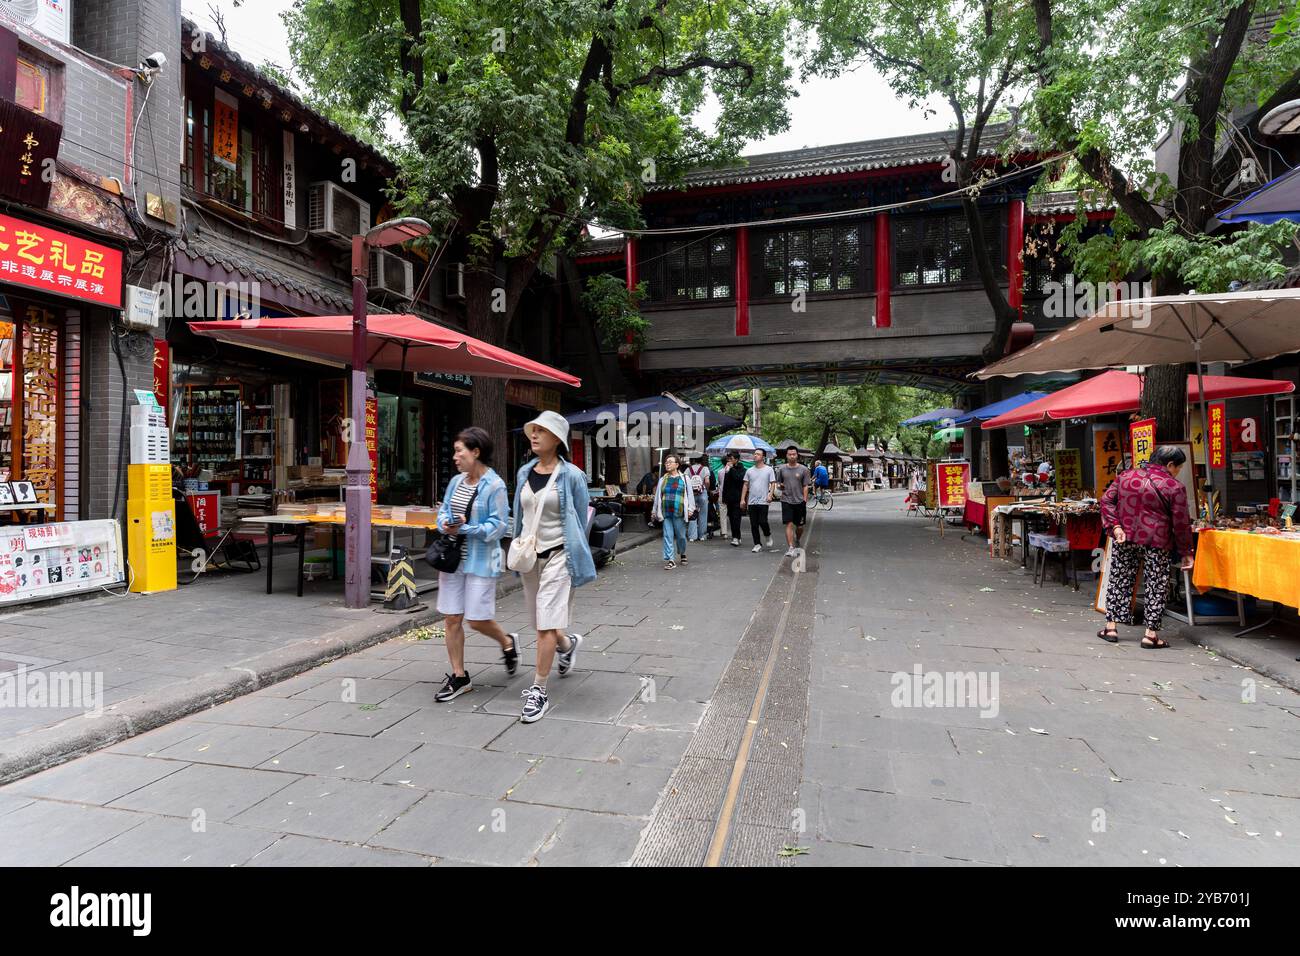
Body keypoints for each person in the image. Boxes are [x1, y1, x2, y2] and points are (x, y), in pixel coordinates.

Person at [512, 410, 596, 723]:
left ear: (557, 440)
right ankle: (567, 644)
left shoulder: (572, 475)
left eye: (541, 432)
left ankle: (538, 690)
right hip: (531, 557)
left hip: (561, 555)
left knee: (546, 623)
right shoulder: (524, 472)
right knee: (541, 622)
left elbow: (579, 514)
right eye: (532, 430)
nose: (534, 435)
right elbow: (520, 515)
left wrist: (577, 550)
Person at [433, 427, 517, 703]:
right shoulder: (456, 482)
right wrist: (445, 523)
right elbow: (443, 511)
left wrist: (466, 529)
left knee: (477, 620)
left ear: (476, 452)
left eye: (460, 451)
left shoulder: (495, 486)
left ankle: (506, 641)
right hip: (452, 559)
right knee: (452, 617)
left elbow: (499, 526)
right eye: (455, 451)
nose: (455, 457)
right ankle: (459, 676)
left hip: (481, 559)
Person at [1098, 445, 1195, 649]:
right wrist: (1186, 552)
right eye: (1178, 468)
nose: (1178, 472)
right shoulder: (1174, 487)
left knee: (1120, 578)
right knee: (1156, 584)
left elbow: (1106, 500)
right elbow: (1181, 522)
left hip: (1126, 536)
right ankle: (1150, 635)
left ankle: (1111, 627)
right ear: (1170, 465)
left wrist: (1115, 526)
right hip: (1157, 540)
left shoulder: (1126, 476)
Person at [651, 452, 695, 569]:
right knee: (667, 535)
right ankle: (670, 559)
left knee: (681, 536)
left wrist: (691, 509)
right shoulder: (663, 479)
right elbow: (658, 496)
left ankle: (682, 552)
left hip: (679, 512)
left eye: (670, 462)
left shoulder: (685, 479)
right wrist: (654, 510)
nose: (667, 464)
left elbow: (690, 495)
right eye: (666, 462)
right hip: (666, 511)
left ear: (677, 464)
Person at [776, 445, 812, 556]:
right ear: (786, 456)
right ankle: (791, 547)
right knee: (789, 524)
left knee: (800, 526)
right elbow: (778, 484)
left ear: (797, 455)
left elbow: (806, 486)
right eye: (790, 454)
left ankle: (797, 539)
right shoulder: (781, 469)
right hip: (786, 500)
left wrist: (804, 500)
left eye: (794, 454)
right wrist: (780, 486)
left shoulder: (804, 469)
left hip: (800, 501)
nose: (792, 456)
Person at [741, 449, 777, 553]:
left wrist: (770, 495)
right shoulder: (749, 470)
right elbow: (745, 485)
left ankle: (767, 534)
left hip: (763, 500)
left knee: (763, 521)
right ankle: (757, 544)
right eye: (755, 454)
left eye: (758, 454)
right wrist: (742, 499)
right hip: (751, 501)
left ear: (763, 457)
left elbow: (773, 483)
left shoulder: (768, 469)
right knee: (753, 524)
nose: (755, 455)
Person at [684, 454, 711, 541]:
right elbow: (707, 481)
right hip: (702, 494)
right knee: (703, 514)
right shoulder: (705, 468)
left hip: (692, 495)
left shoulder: (688, 469)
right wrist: (705, 489)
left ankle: (692, 536)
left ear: (693, 460)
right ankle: (702, 535)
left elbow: (684, 481)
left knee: (692, 514)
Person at [721, 451, 746, 546]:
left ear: (736, 459)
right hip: (729, 498)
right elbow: (725, 484)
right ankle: (736, 536)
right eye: (729, 459)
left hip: (738, 497)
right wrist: (724, 497)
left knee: (736, 518)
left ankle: (736, 537)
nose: (729, 461)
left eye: (731, 459)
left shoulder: (742, 469)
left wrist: (731, 469)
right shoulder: (728, 469)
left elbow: (738, 479)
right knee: (731, 518)